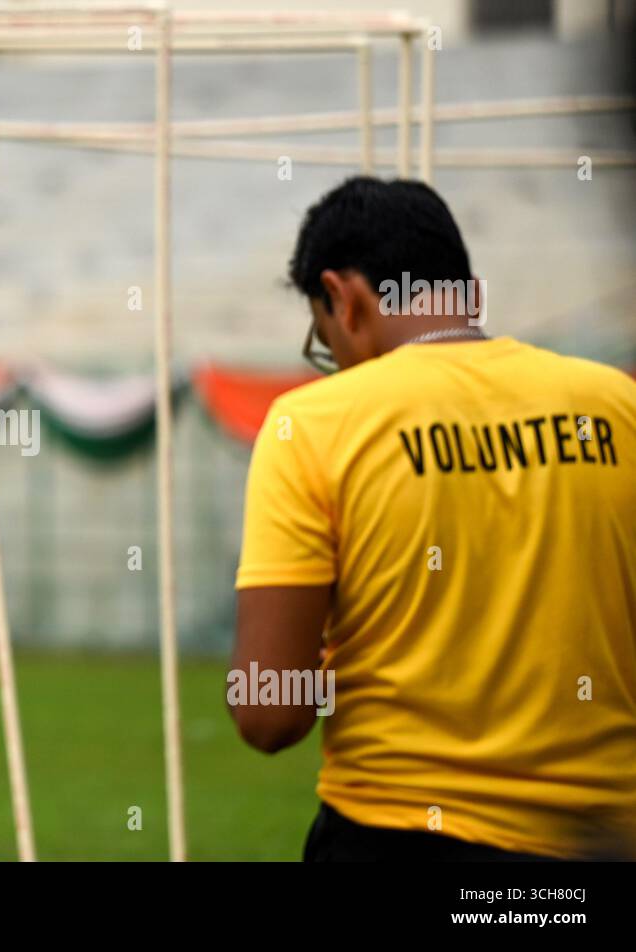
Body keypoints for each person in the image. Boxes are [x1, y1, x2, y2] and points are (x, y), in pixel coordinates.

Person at [229, 176, 636, 861]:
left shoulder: (317, 424)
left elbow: (270, 713)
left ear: (345, 298)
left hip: (396, 835)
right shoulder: (615, 403)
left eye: (326, 339)